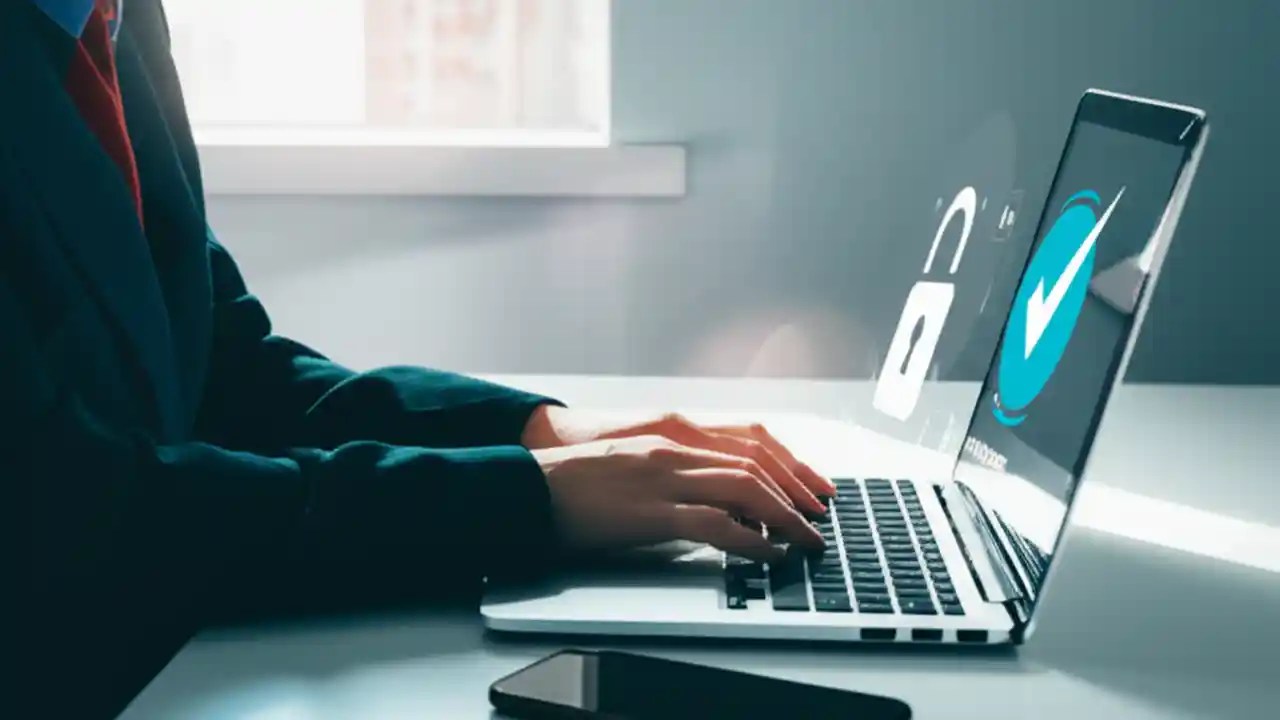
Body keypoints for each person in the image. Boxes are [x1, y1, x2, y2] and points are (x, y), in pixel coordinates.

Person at [4, 1, 831, 716]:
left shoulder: (114, 20)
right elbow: (76, 514)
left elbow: (224, 371)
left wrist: (547, 432)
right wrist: (526, 498)